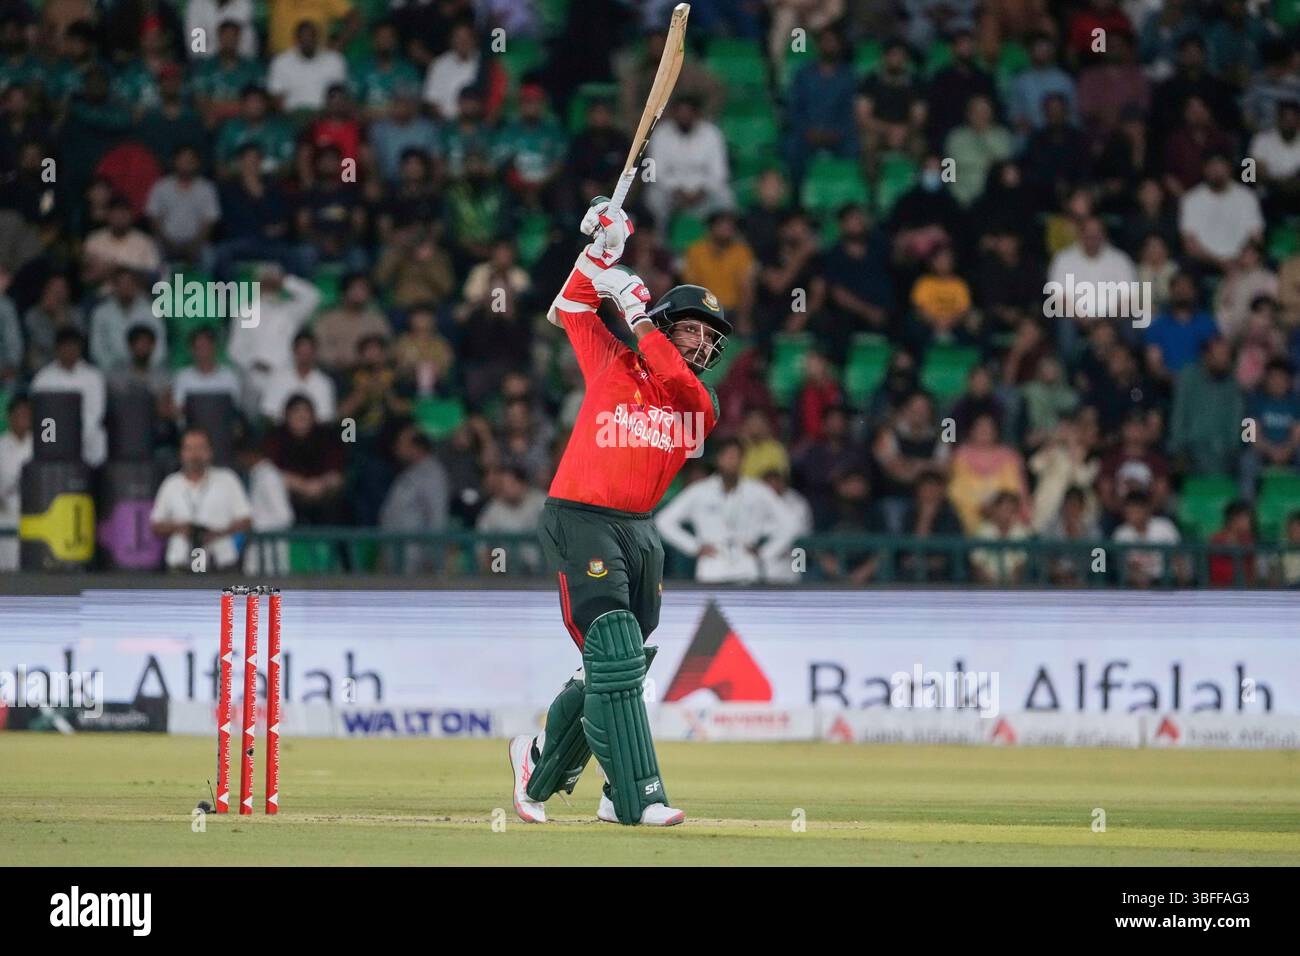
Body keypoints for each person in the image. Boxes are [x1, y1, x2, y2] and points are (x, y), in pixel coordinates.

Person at [507, 197, 731, 829]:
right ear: (663, 323)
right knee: (611, 646)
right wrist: (601, 251)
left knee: (619, 665)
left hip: (639, 532)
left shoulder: (700, 402)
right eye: (691, 329)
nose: (702, 343)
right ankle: (637, 796)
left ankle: (540, 764)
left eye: (710, 338)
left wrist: (628, 295)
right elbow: (571, 305)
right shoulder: (613, 361)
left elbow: (670, 373)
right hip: (579, 517)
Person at [656, 436, 803, 584]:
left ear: (743, 461)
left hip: (747, 564)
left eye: (737, 457)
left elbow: (791, 524)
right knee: (712, 606)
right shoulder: (700, 491)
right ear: (719, 459)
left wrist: (766, 553)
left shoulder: (758, 491)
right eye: (728, 456)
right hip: (713, 564)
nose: (732, 461)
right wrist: (694, 547)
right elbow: (663, 521)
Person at [150, 427, 252, 571]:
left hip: (222, 562)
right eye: (189, 449)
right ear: (181, 453)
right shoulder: (171, 483)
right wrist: (181, 528)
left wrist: (217, 533)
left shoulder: (227, 479)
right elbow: (156, 525)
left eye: (200, 448)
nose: (194, 455)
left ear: (210, 452)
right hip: (180, 564)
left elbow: (246, 520)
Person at [0, 392, 32, 571]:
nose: (23, 420)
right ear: (10, 417)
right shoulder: (1, 446)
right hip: (5, 515)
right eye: (19, 415)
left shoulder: (39, 444)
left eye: (27, 415)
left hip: (32, 512)